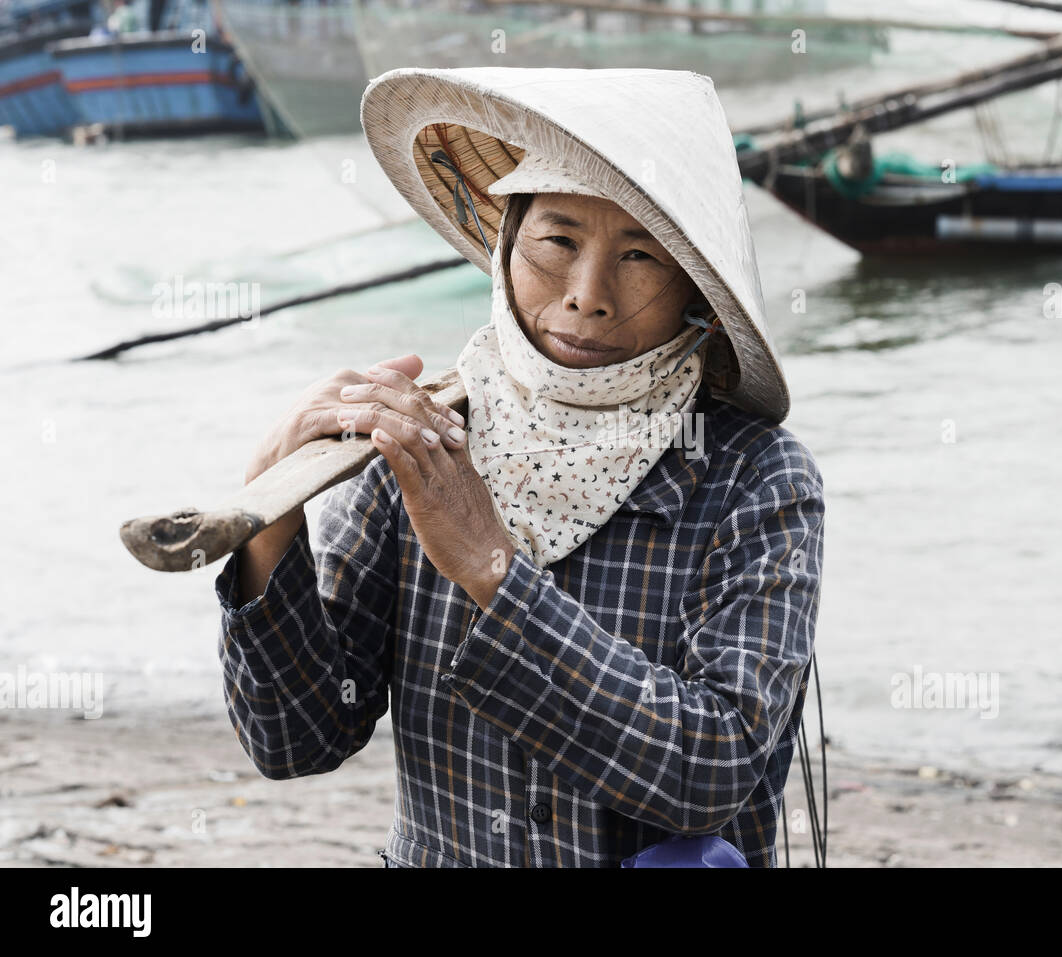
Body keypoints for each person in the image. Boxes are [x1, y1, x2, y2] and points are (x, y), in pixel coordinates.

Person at [216, 67, 826, 867]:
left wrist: (491, 568)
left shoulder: (757, 477)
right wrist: (272, 513)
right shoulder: (424, 439)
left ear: (696, 294)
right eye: (558, 240)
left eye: (640, 255)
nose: (587, 295)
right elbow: (295, 740)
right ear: (506, 242)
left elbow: (710, 768)